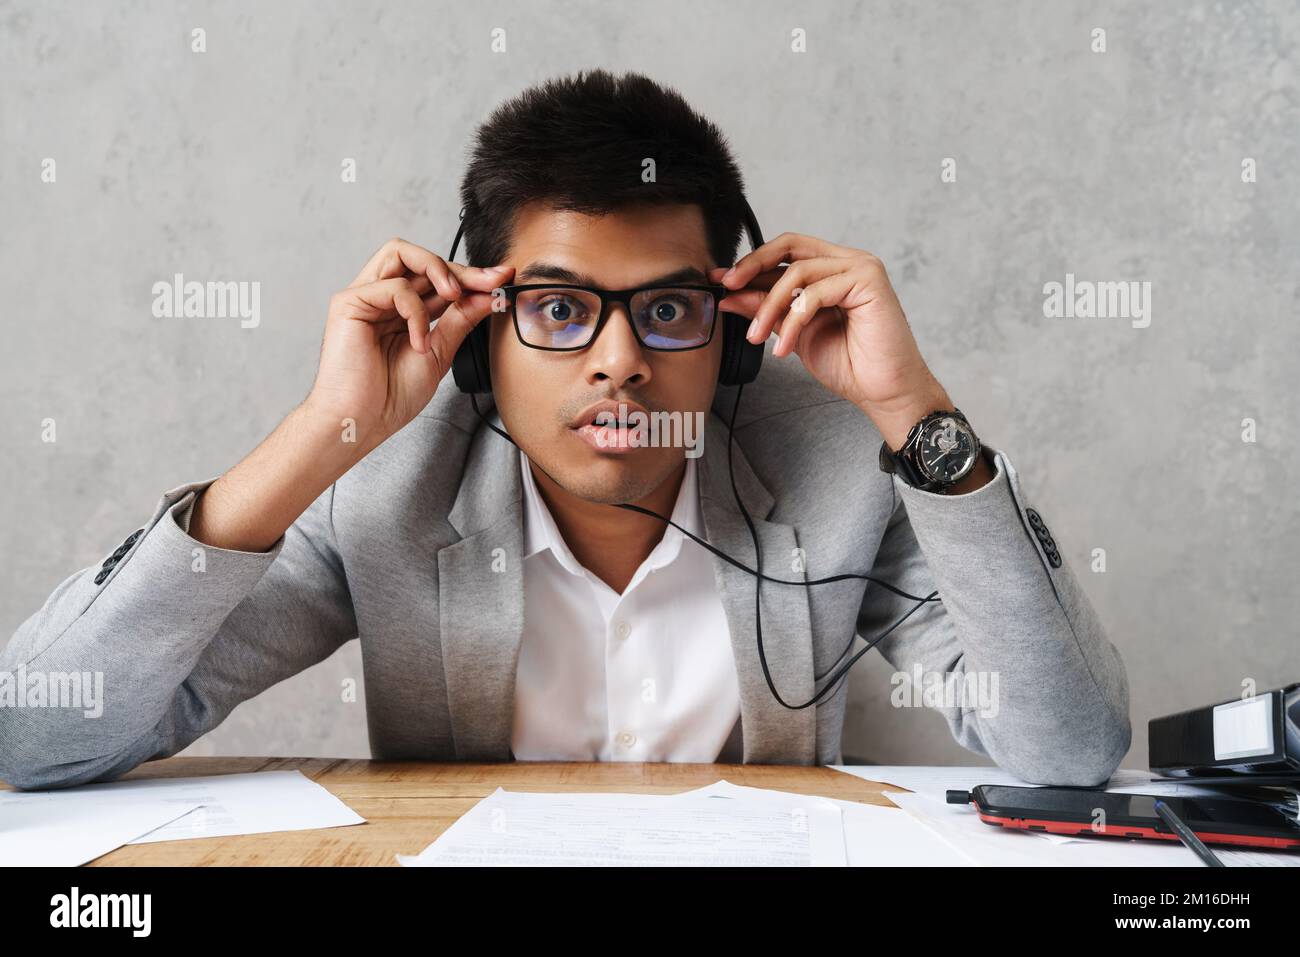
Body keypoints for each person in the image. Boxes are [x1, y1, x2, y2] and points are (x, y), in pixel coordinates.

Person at [0, 69, 1129, 790]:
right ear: (482, 335)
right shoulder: (387, 489)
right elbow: (35, 737)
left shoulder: (835, 466)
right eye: (555, 308)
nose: (618, 359)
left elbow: (1066, 750)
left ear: (733, 338)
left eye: (670, 309)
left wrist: (913, 414)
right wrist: (321, 434)